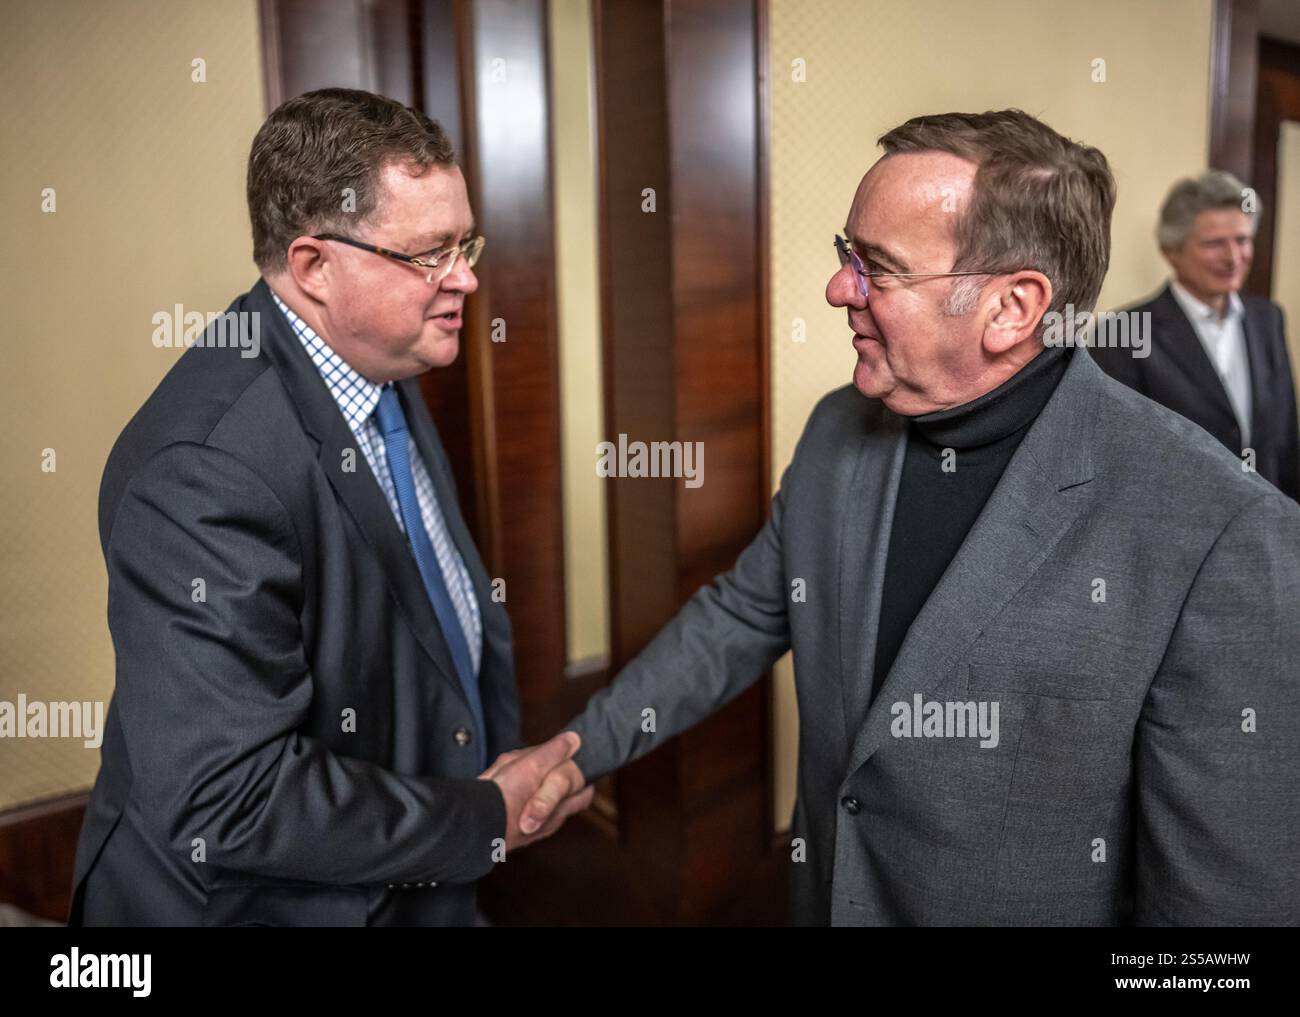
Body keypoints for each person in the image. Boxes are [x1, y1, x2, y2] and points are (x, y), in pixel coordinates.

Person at [523, 110, 1300, 925]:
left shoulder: (1224, 531)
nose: (837, 288)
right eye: (844, 253)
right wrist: (584, 751)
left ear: (1011, 307)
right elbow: (745, 611)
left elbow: (1223, 920)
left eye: (877, 268)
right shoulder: (836, 429)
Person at [69, 88, 590, 927]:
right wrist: (482, 819)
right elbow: (230, 797)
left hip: (411, 867)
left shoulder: (377, 349)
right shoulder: (202, 472)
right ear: (314, 268)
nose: (466, 278)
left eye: (466, 243)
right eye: (430, 254)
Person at [1093, 171, 1299, 501]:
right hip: (1176, 531)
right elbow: (1115, 454)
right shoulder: (1124, 331)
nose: (1233, 258)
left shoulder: (1268, 319)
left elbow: (1286, 440)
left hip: (1266, 523)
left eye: (1242, 240)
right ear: (1170, 250)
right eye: (1214, 243)